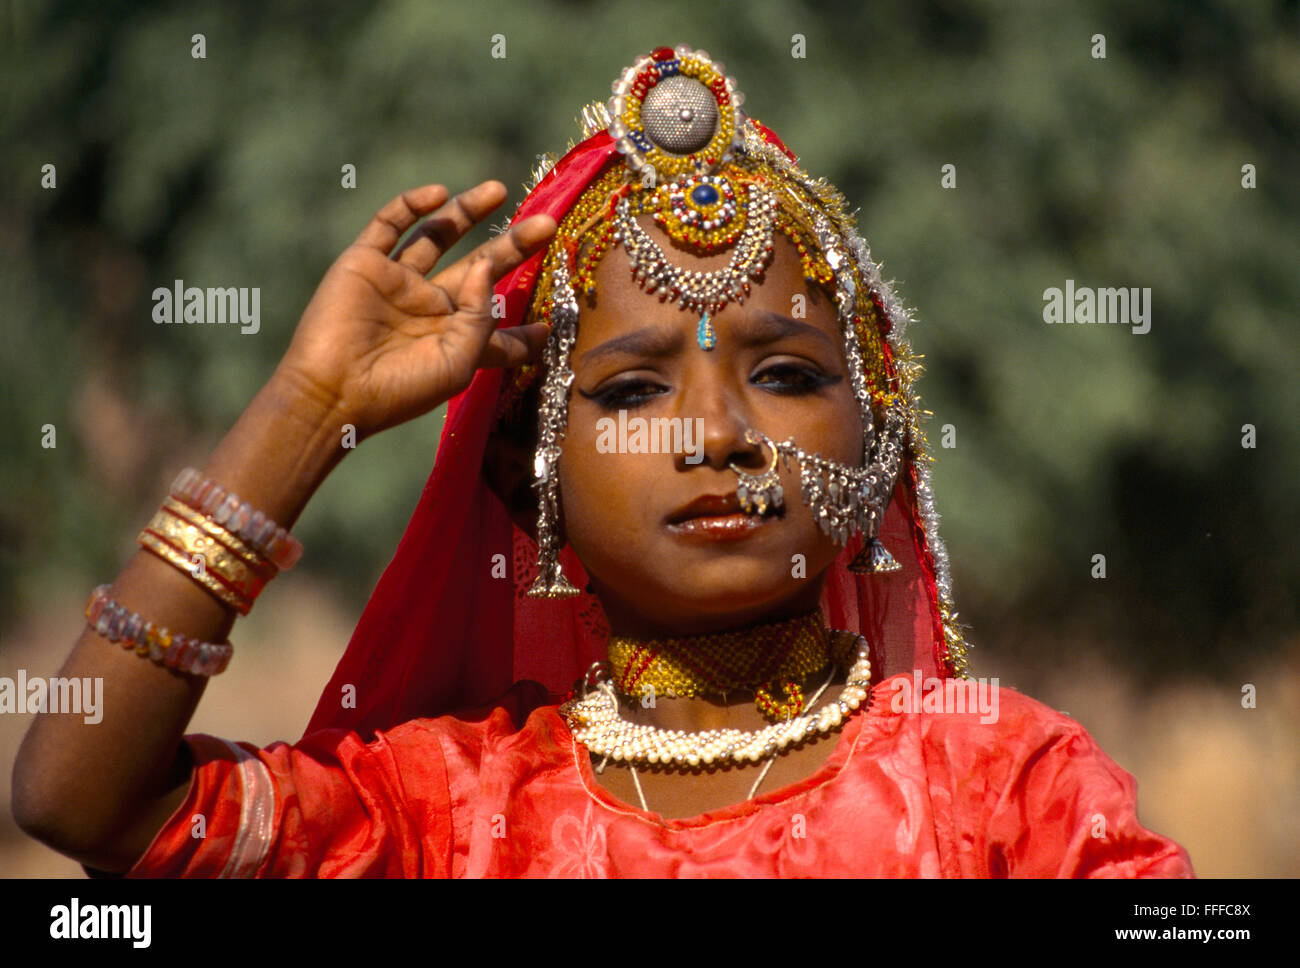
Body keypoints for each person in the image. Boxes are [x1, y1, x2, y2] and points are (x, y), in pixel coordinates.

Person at [13, 45, 1193, 878]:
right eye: (630, 391)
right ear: (536, 471)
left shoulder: (1001, 786)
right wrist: (307, 408)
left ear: (880, 432)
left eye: (787, 375)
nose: (718, 434)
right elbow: (87, 803)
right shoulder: (443, 812)